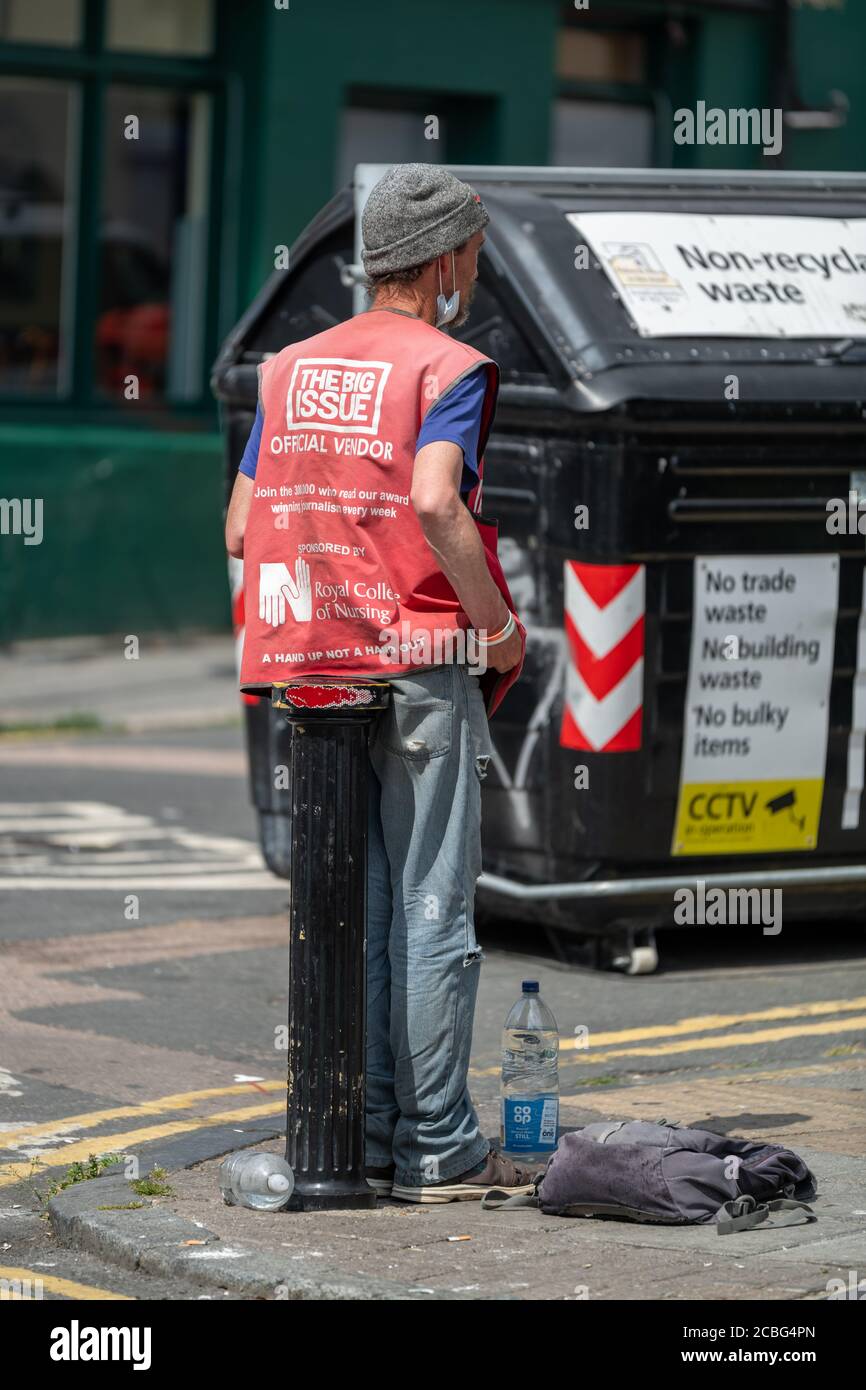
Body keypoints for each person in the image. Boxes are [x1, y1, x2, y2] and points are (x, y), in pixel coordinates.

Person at [225, 163, 534, 1202]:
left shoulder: (289, 367)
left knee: (353, 909)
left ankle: (358, 1133)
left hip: (311, 665)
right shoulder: (450, 366)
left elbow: (240, 527)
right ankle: (437, 1146)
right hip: (416, 665)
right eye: (472, 258)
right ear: (443, 261)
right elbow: (438, 501)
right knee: (431, 909)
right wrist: (496, 629)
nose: (472, 277)